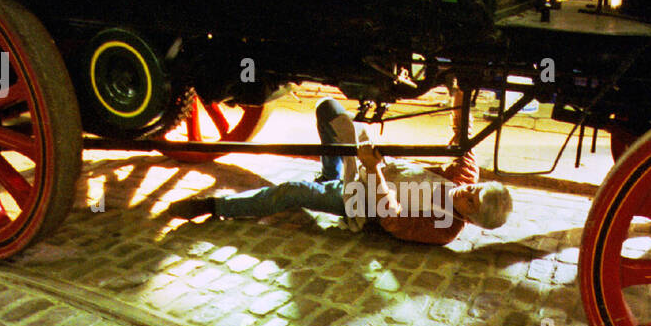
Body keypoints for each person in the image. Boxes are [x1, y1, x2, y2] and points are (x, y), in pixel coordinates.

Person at [169, 89, 512, 245]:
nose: (467, 191)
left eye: (471, 201)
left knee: (294, 192)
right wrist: (460, 92)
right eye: (475, 189)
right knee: (328, 108)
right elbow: (464, 134)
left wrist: (373, 170)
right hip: (370, 169)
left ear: (469, 219)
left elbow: (390, 218)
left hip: (360, 202)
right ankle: (329, 171)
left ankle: (213, 206)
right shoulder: (465, 177)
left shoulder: (441, 229)